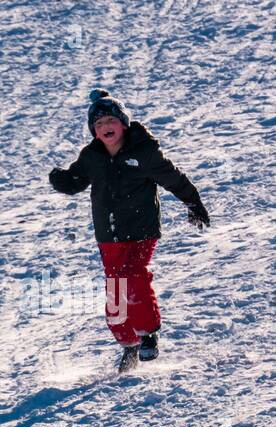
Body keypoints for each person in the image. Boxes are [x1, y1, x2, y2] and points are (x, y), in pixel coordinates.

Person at [48, 89, 210, 372]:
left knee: (133, 275)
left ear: (123, 123)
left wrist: (193, 202)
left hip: (141, 230)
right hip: (109, 237)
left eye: (110, 120)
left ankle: (148, 334)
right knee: (115, 296)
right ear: (93, 132)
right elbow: (77, 180)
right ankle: (129, 345)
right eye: (98, 125)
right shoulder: (92, 156)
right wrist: (62, 180)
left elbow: (172, 177)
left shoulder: (143, 151)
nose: (105, 127)